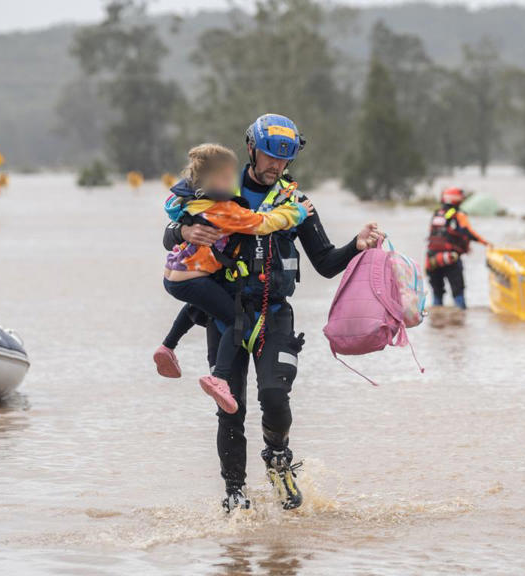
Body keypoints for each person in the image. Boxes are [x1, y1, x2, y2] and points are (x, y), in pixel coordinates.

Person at [162, 114, 382, 512]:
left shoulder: (296, 203)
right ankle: (235, 493)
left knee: (275, 396)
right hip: (225, 314)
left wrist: (358, 244)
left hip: (275, 314)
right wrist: (183, 233)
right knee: (231, 407)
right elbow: (171, 231)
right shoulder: (218, 187)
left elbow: (327, 263)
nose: (275, 166)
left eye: (284, 161)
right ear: (251, 149)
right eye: (268, 157)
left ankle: (278, 458)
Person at [159, 143, 312, 415]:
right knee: (233, 320)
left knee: (199, 305)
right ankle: (219, 377)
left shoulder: (190, 200)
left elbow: (170, 209)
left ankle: (167, 346)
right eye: (229, 178)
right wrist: (297, 213)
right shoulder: (225, 209)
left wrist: (182, 227)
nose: (234, 183)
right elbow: (262, 223)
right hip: (192, 277)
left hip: (174, 276)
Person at [425, 187, 490, 309]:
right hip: (451, 258)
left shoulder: (437, 214)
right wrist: (487, 244)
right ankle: (460, 321)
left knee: (437, 294)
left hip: (432, 259)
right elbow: (468, 232)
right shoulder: (458, 215)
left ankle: (436, 322)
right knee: (458, 292)